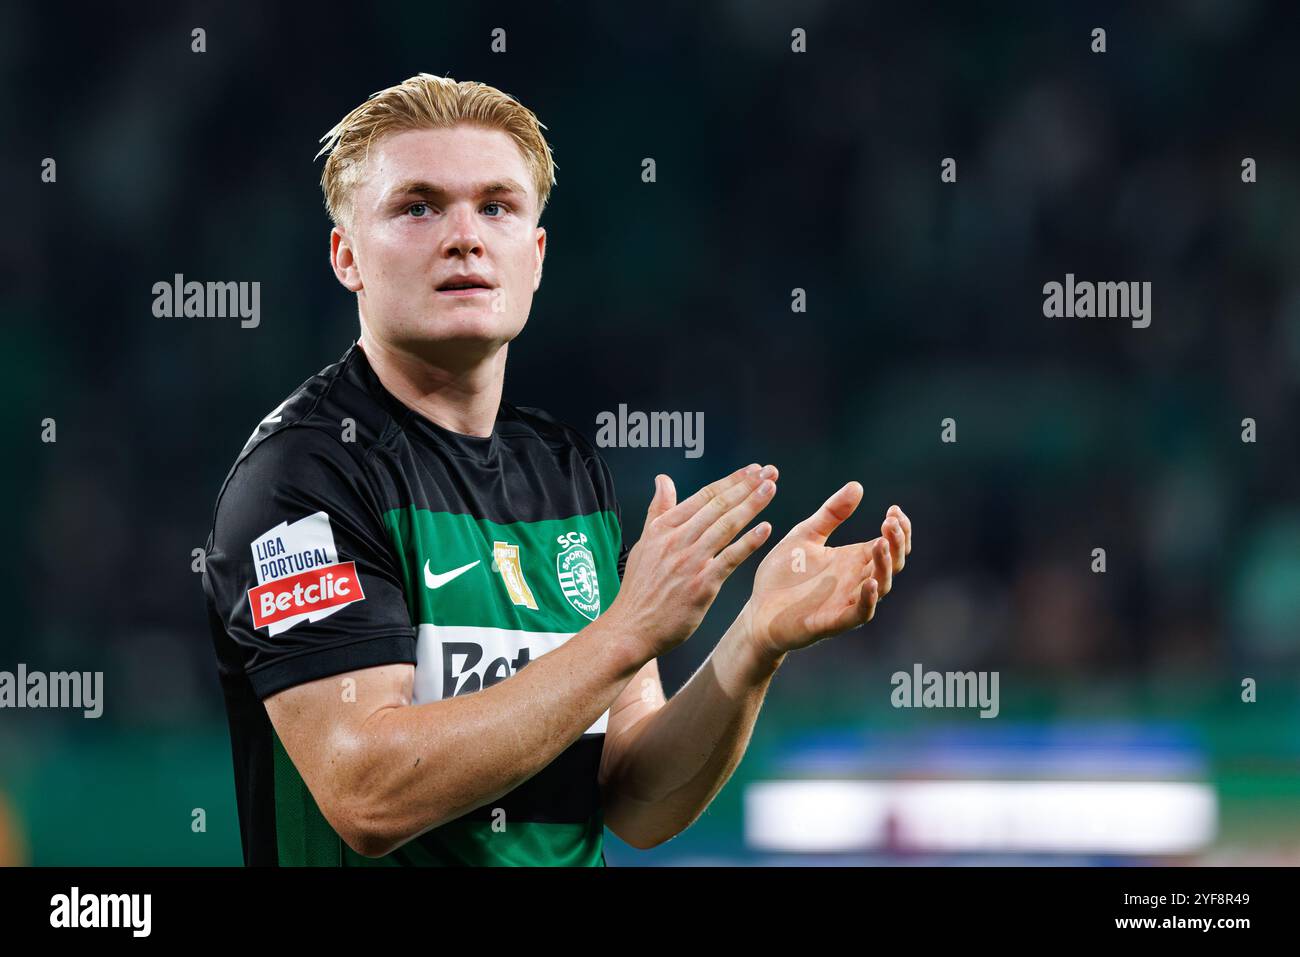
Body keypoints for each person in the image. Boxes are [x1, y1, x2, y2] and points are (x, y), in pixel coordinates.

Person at [201, 74, 912, 866]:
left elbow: (634, 796)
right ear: (347, 256)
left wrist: (751, 643)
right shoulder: (300, 480)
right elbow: (367, 791)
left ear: (535, 256)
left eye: (497, 206)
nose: (464, 235)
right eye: (418, 206)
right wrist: (625, 633)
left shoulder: (565, 469)